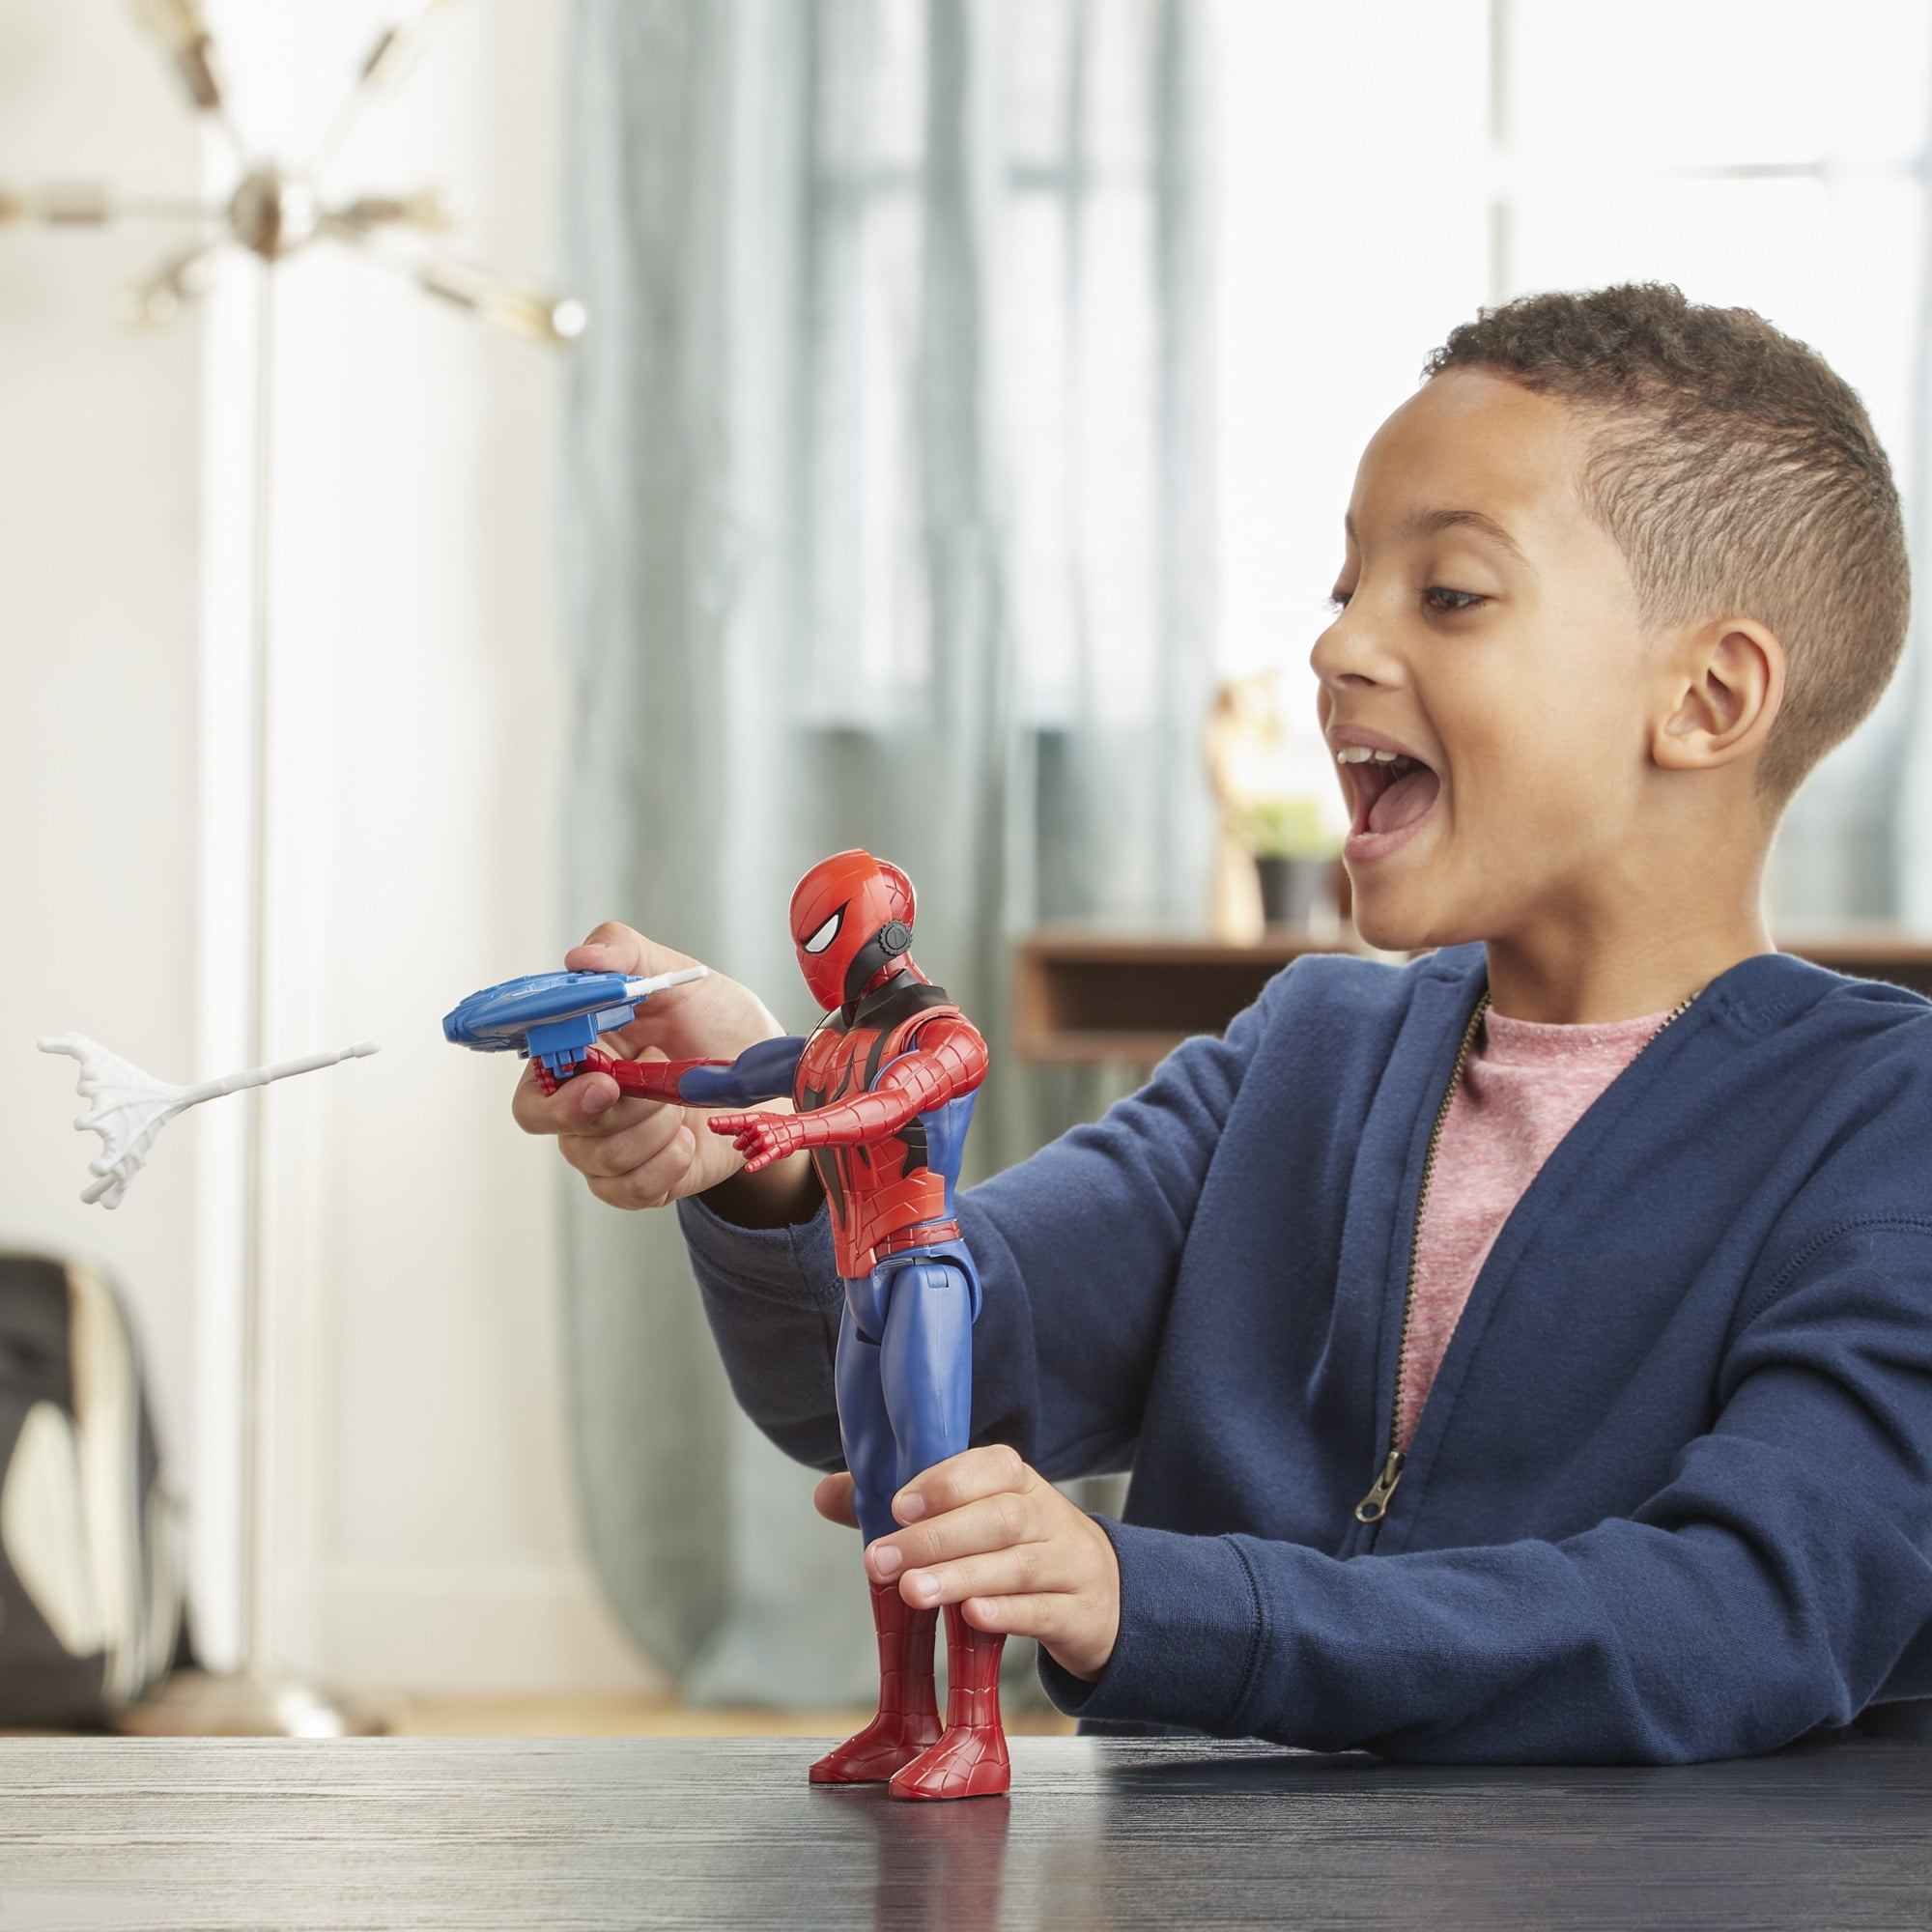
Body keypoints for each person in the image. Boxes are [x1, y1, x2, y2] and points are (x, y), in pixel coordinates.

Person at [517, 284, 1932, 1763]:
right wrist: (789, 1151)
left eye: (1446, 593)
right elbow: (900, 1376)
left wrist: (1164, 1600)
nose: (1339, 649)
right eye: (1344, 591)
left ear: (1709, 699)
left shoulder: (1886, 1127)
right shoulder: (1305, 1055)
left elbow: (1748, 1613)